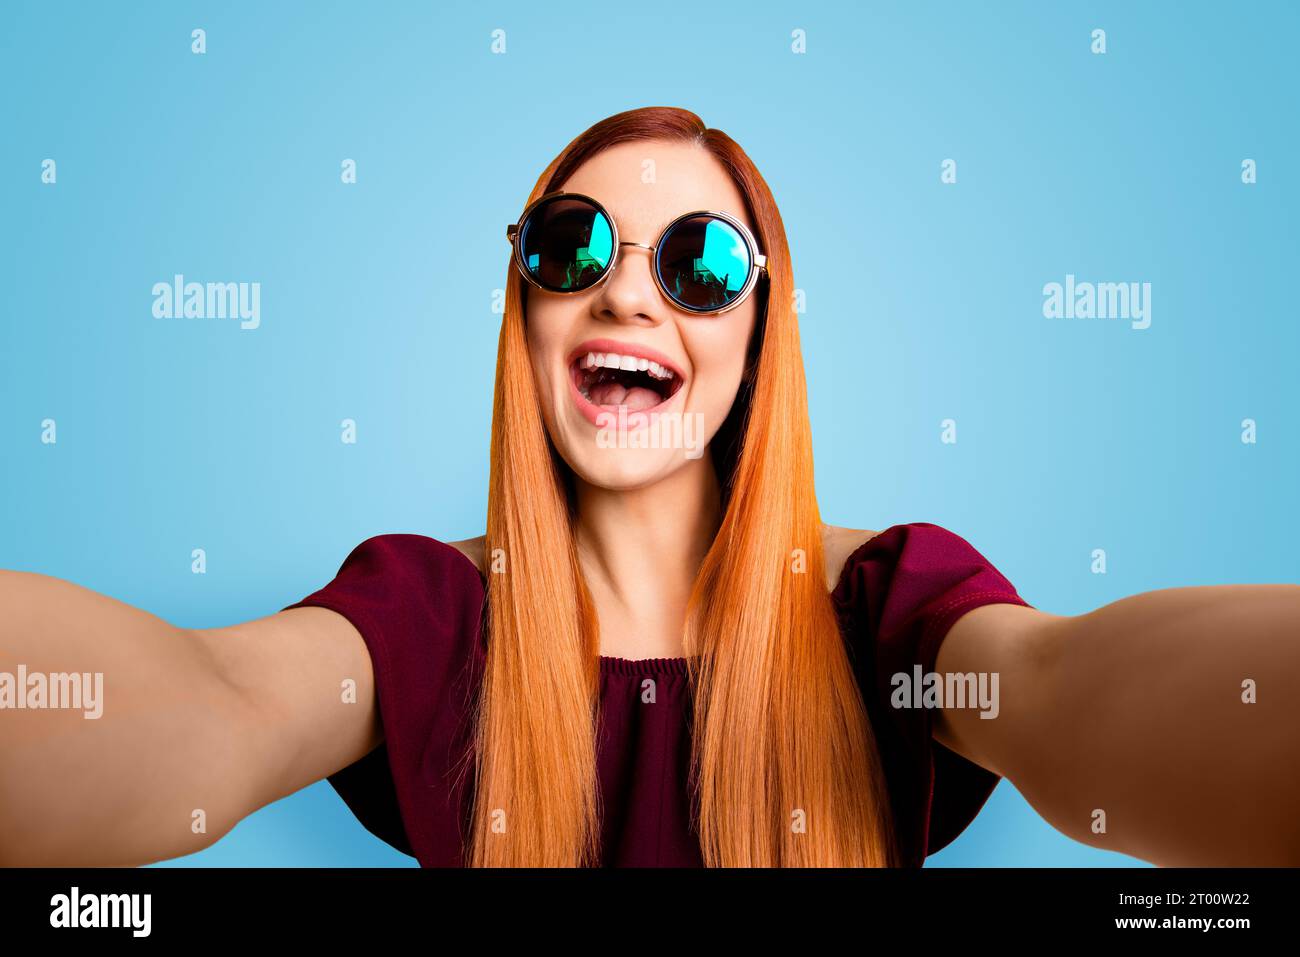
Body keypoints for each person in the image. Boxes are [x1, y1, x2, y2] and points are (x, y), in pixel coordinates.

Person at [2, 107, 1297, 868]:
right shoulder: (435, 614)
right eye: (575, 244)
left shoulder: (886, 606)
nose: (625, 287)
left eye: (701, 260)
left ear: (762, 329)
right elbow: (217, 701)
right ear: (524, 305)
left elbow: (1068, 693)